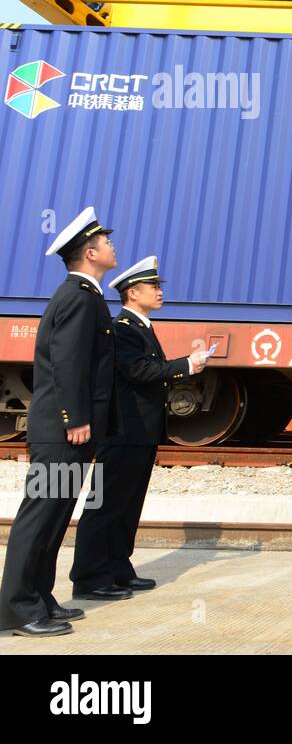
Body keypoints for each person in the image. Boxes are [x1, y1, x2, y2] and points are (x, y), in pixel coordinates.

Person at [0, 208, 118, 636]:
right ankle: (17, 608)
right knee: (40, 516)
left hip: (69, 429)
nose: (112, 246)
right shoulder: (77, 297)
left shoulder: (85, 296)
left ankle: (40, 598)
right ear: (90, 252)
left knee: (55, 516)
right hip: (62, 429)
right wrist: (76, 418)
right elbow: (67, 365)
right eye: (106, 242)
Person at [70, 257, 208, 599]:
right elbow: (139, 371)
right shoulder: (122, 329)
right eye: (154, 287)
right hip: (122, 433)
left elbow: (146, 370)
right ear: (133, 293)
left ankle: (117, 568)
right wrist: (186, 365)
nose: (160, 292)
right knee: (105, 505)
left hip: (138, 434)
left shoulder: (140, 327)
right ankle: (89, 576)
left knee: (127, 505)